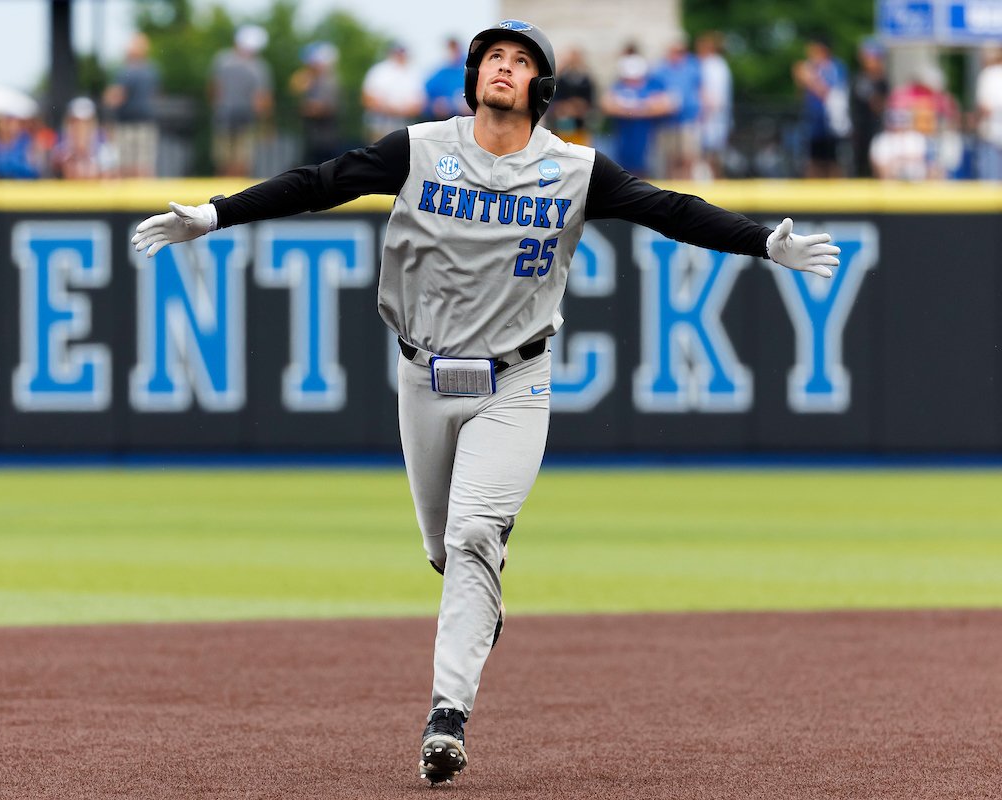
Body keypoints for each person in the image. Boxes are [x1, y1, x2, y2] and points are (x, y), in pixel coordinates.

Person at [130, 20, 840, 786]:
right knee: (446, 551)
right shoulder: (421, 148)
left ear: (542, 87)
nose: (503, 67)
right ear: (472, 76)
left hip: (516, 381)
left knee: (473, 535)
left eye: (520, 59)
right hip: (423, 377)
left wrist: (764, 244)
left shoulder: (573, 169)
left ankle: (447, 714)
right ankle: (480, 602)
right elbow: (319, 182)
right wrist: (214, 213)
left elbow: (669, 208)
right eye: (493, 57)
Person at [210, 25, 273, 177]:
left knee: (224, 162)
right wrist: (267, 124)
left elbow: (214, 89)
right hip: (244, 119)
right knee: (241, 162)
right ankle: (237, 198)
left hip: (224, 116)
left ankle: (221, 198)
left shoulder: (222, 60)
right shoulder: (259, 67)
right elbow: (261, 98)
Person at [601, 49, 675, 178]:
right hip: (624, 138)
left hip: (648, 137)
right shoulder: (618, 86)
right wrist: (634, 109)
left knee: (648, 168)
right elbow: (607, 105)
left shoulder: (653, 85)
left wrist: (638, 109)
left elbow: (668, 104)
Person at [103, 32, 161, 178]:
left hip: (128, 126)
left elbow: (114, 97)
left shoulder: (126, 72)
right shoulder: (152, 70)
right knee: (144, 168)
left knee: (128, 168)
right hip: (145, 124)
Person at [793, 37, 851, 178]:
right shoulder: (812, 68)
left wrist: (810, 80)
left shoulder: (836, 67)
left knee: (833, 162)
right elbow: (801, 95)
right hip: (813, 124)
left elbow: (831, 94)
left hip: (832, 124)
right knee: (813, 161)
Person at [654, 32, 703, 179]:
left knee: (689, 155)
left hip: (688, 118)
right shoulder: (661, 68)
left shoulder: (692, 65)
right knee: (671, 157)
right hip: (668, 120)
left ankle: (687, 183)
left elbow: (700, 88)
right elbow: (655, 93)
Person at [361, 42, 425, 142]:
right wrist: (388, 108)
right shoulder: (379, 71)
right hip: (379, 128)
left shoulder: (413, 74)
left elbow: (419, 105)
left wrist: (399, 111)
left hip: (405, 129)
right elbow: (366, 99)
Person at [290, 41, 342, 164]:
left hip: (325, 138)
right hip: (313, 136)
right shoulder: (314, 80)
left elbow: (328, 107)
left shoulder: (329, 82)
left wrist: (310, 108)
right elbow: (295, 86)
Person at [52, 97, 116, 180]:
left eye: (85, 123)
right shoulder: (60, 150)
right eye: (74, 122)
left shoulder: (103, 150)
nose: (80, 127)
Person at [696, 32, 732, 179]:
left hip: (712, 117)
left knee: (711, 156)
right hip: (715, 117)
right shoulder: (719, 65)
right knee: (712, 156)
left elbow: (715, 96)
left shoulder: (713, 65)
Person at [851, 39, 889, 178]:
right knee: (859, 165)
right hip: (859, 130)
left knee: (876, 162)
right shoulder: (858, 79)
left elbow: (880, 106)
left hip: (876, 128)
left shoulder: (882, 80)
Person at [549, 46, 595, 146]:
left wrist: (578, 107)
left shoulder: (586, 81)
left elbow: (590, 104)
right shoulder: (561, 80)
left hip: (580, 129)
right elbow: (553, 104)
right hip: (561, 128)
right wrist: (564, 108)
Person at [424, 38, 471, 121]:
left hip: (469, 118)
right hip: (446, 118)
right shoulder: (441, 73)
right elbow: (426, 98)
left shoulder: (471, 70)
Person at [977, 46, 1002, 180]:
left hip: (991, 132)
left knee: (990, 181)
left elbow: (984, 107)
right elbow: (985, 107)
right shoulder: (989, 74)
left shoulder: (988, 74)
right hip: (992, 132)